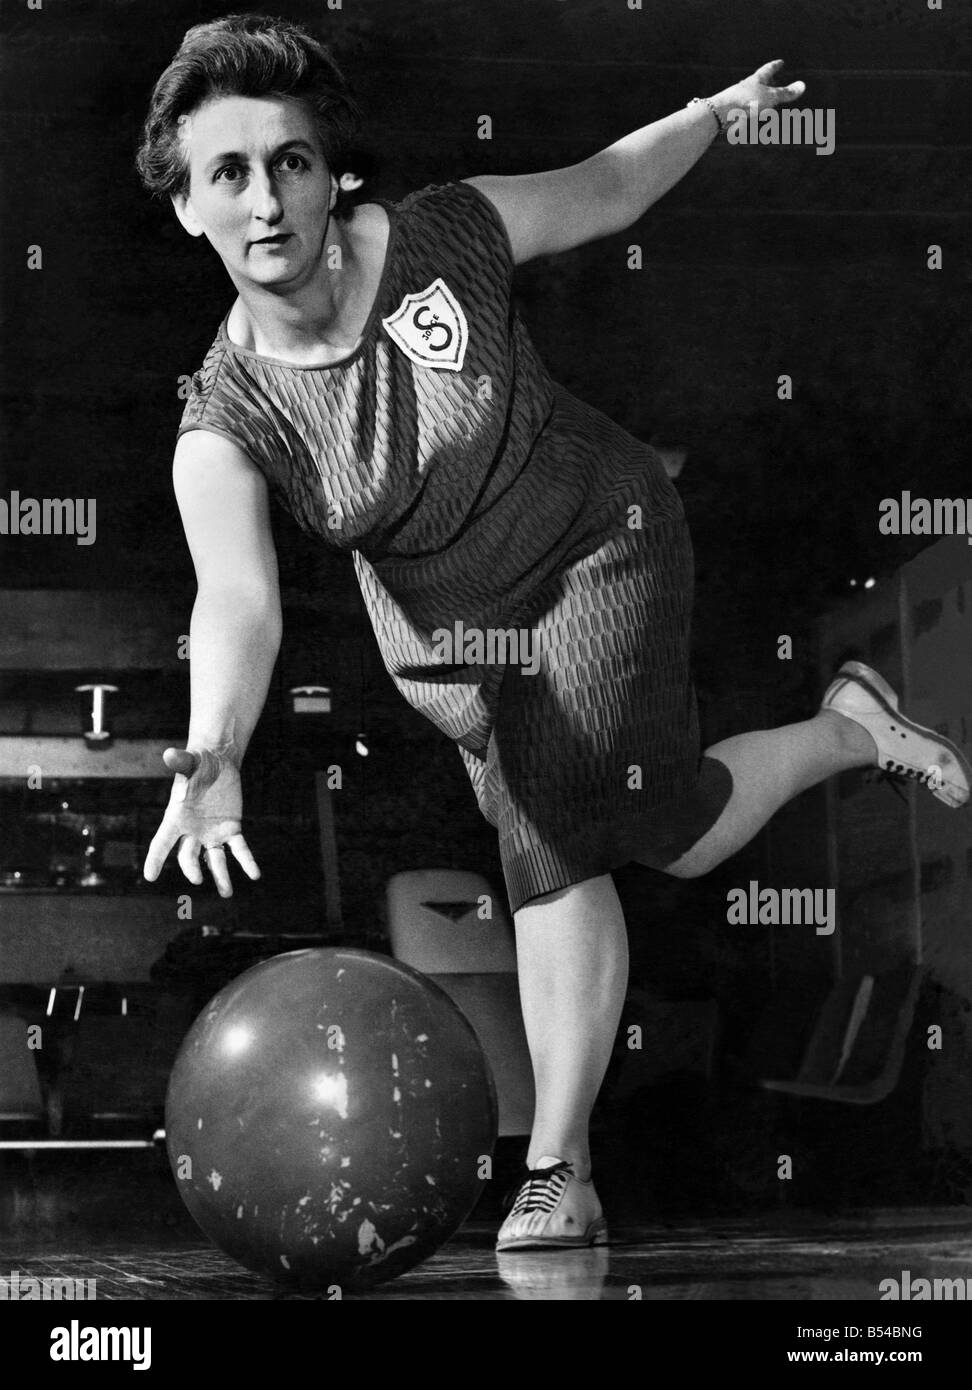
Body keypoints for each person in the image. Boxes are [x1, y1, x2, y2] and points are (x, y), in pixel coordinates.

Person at [138, 14, 970, 1253]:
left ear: (331, 174)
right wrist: (217, 747)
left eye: (292, 161)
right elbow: (239, 602)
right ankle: (846, 731)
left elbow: (609, 188)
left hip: (601, 535)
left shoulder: (443, 234)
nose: (267, 199)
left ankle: (557, 1165)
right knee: (676, 833)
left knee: (547, 811)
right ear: (188, 208)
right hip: (449, 648)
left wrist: (716, 116)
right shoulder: (225, 420)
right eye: (229, 174)